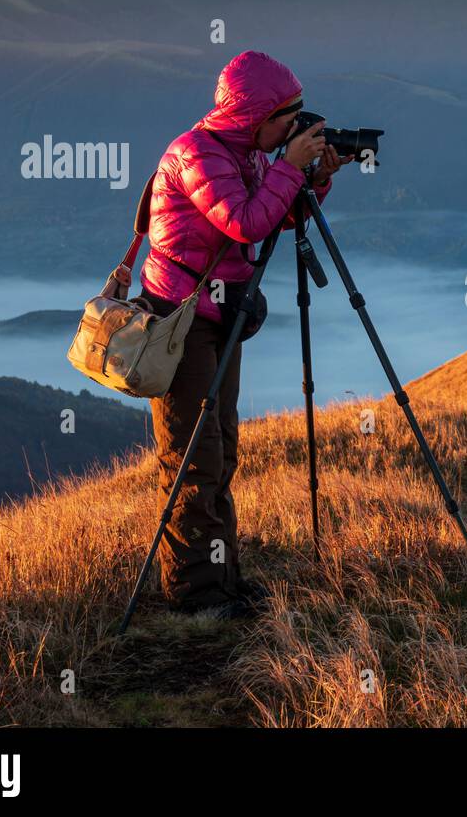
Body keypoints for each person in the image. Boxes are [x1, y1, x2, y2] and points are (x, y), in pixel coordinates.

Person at [110, 50, 352, 618]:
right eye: (285, 117)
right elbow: (244, 222)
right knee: (194, 458)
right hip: (180, 323)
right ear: (254, 115)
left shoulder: (246, 152)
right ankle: (196, 598)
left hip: (222, 317)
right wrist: (290, 165)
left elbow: (275, 215)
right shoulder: (196, 155)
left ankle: (224, 580)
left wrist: (312, 180)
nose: (292, 128)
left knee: (222, 451)